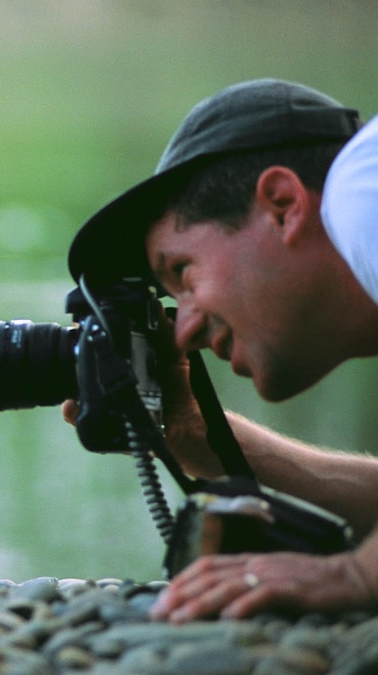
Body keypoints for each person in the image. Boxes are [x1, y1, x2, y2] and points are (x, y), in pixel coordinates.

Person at [66, 79, 378, 621]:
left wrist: (357, 574)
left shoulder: (362, 190)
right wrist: (195, 436)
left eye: (183, 272)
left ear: (283, 206)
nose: (182, 330)